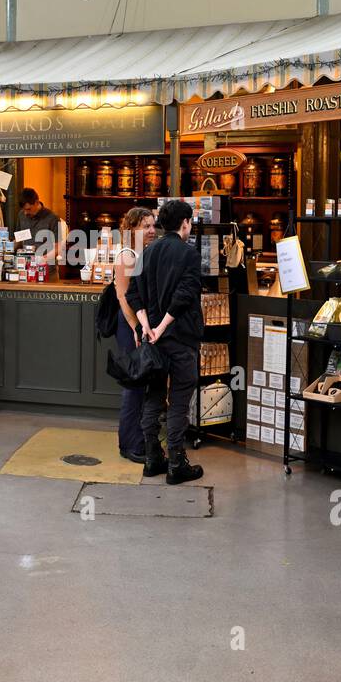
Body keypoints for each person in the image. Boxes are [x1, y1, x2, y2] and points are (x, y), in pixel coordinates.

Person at [126, 199, 203, 485]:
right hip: (180, 338)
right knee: (179, 401)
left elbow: (134, 294)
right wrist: (162, 325)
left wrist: (147, 327)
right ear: (184, 224)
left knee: (153, 397)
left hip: (153, 341)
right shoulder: (188, 254)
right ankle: (175, 463)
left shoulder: (147, 252)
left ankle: (151, 459)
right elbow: (185, 295)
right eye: (190, 223)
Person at [114, 207, 156, 463]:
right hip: (130, 324)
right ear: (131, 229)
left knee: (142, 383)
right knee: (134, 383)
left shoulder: (144, 253)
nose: (151, 230)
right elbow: (123, 296)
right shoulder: (127, 255)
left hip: (141, 323)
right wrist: (136, 327)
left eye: (153, 225)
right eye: (145, 226)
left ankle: (138, 439)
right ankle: (130, 444)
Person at [15, 188, 66, 260]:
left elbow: (57, 248)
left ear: (37, 202)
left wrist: (43, 259)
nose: (25, 213)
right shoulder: (21, 215)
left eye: (28, 209)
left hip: (46, 265)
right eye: (24, 209)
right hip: (25, 264)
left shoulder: (53, 218)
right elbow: (18, 240)